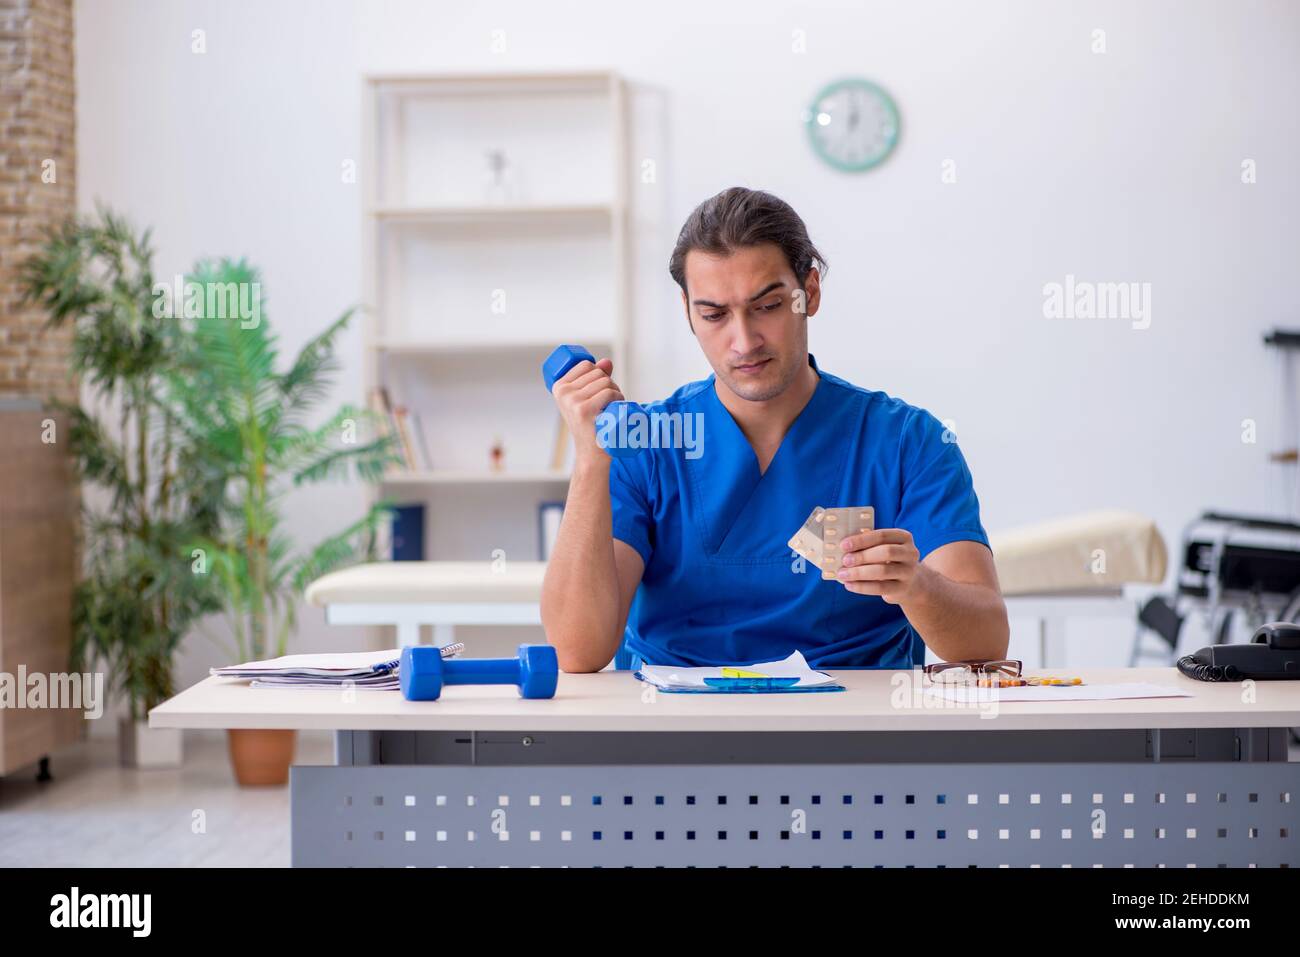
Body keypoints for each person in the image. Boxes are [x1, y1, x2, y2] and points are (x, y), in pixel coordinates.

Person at [541, 186, 1008, 672]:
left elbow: (987, 641)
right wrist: (591, 459)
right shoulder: (645, 445)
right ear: (687, 312)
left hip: (854, 726)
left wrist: (916, 585)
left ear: (810, 293)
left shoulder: (908, 443)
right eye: (714, 314)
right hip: (676, 728)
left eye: (767, 306)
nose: (743, 341)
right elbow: (577, 652)